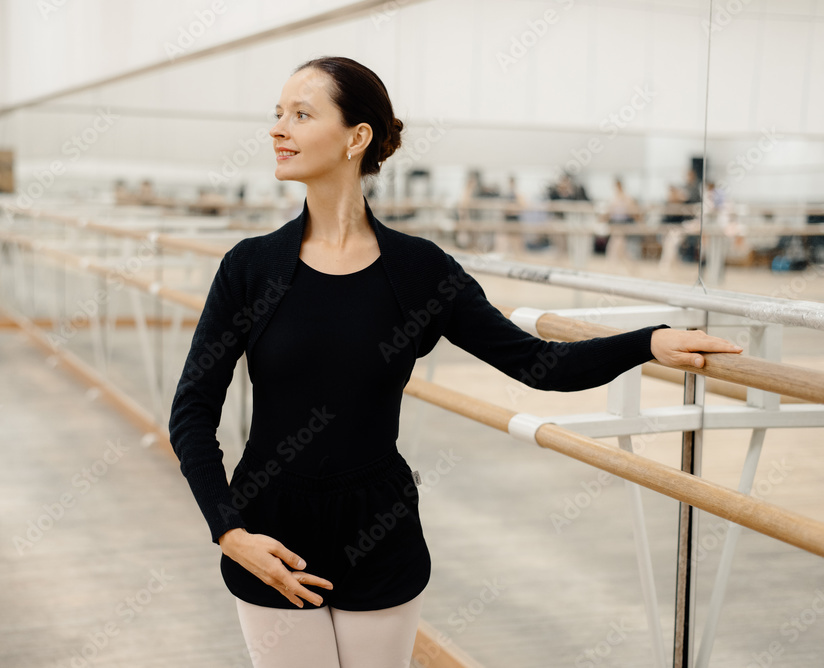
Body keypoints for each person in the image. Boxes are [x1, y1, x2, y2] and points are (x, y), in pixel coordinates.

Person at [167, 56, 744, 668]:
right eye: (277, 115)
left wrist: (648, 342)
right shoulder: (250, 268)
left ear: (356, 138)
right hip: (270, 529)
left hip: (378, 530)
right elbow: (192, 411)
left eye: (301, 114)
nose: (279, 129)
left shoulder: (420, 271)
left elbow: (537, 364)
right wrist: (231, 534)